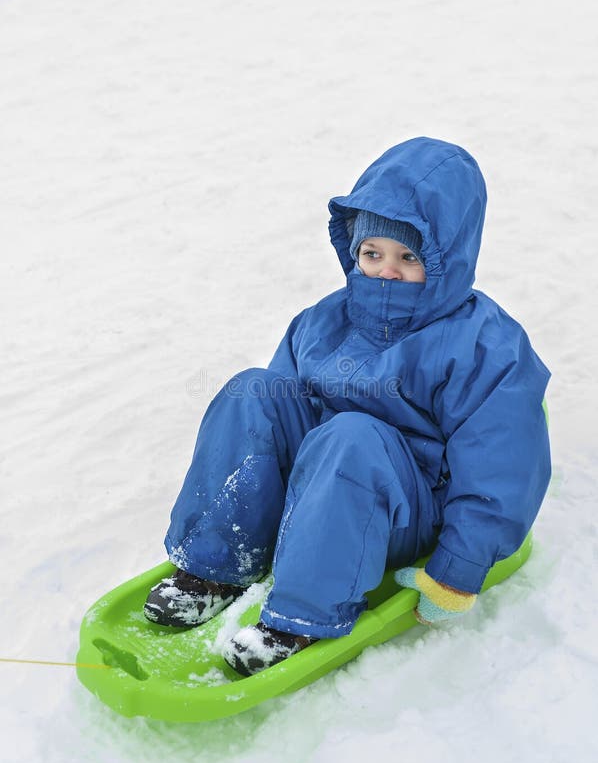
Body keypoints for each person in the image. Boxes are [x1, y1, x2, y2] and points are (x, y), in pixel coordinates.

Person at [143, 137, 551, 677]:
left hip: (406, 509)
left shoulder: (486, 347)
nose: (386, 270)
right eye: (372, 253)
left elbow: (503, 468)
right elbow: (269, 429)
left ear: (448, 258)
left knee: (352, 436)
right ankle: (221, 563)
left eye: (409, 257)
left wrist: (457, 569)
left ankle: (301, 614)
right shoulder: (323, 320)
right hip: (321, 487)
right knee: (253, 393)